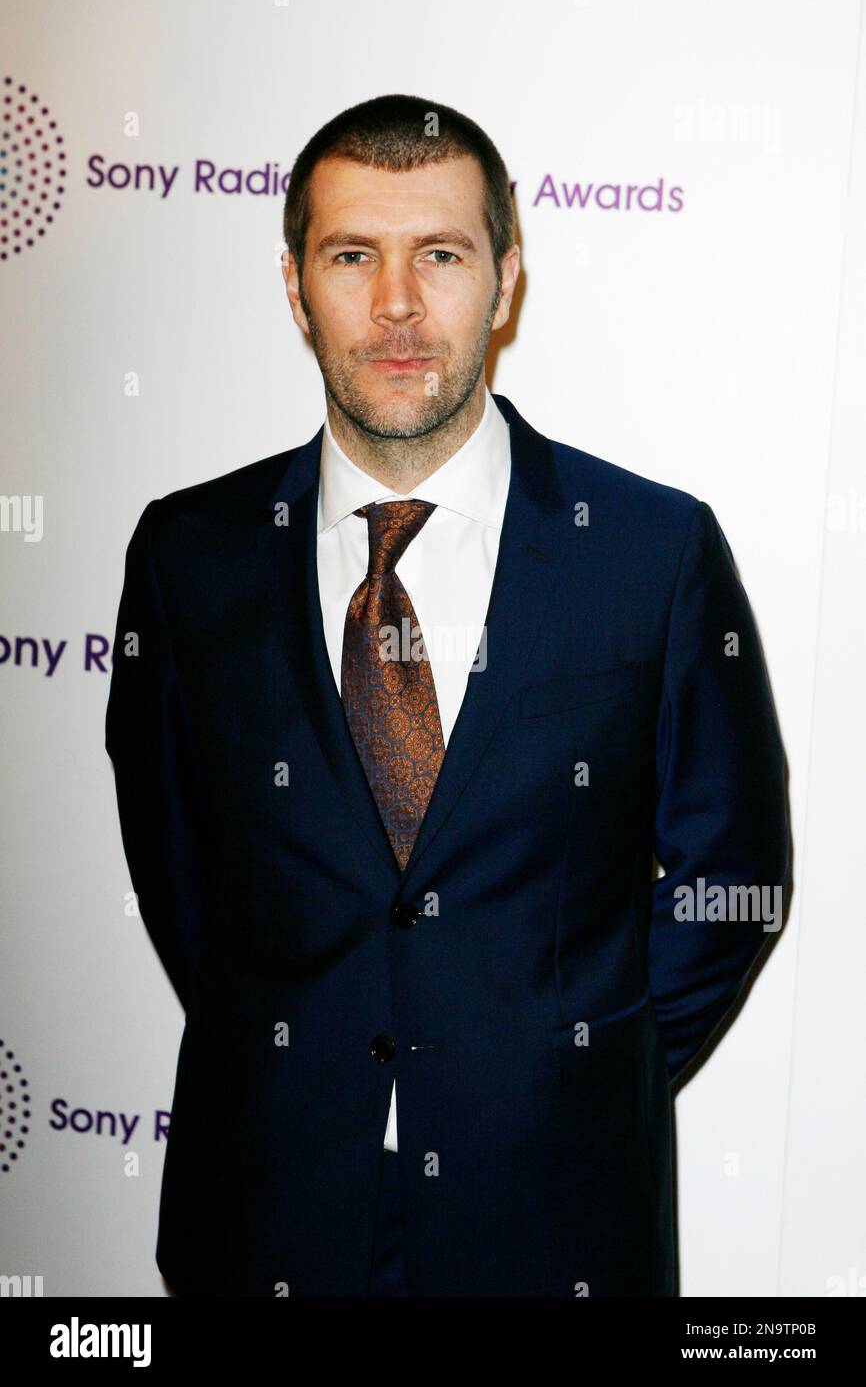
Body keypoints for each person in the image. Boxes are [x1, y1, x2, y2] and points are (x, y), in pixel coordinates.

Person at [105, 93, 789, 1297]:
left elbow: (730, 881)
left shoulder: (650, 552)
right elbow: (181, 877)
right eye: (351, 255)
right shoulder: (187, 554)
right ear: (292, 282)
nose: (395, 307)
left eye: (440, 254)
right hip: (261, 1216)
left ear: (506, 278)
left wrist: (561, 1084)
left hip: (554, 1225)